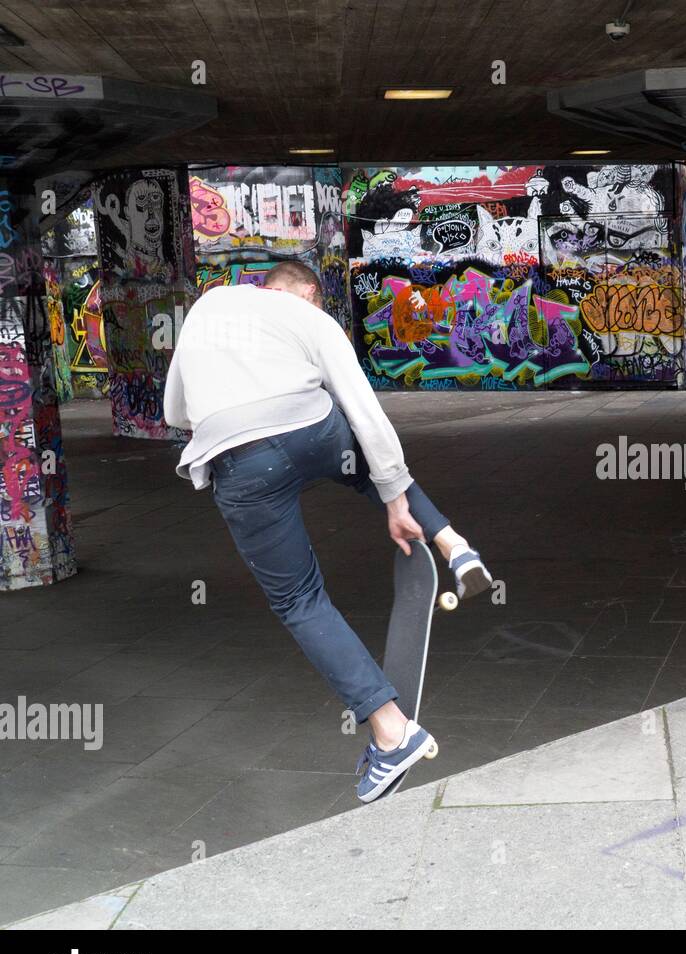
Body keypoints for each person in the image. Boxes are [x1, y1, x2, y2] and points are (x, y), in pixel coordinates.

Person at [163, 261, 492, 801]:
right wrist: (391, 497)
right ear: (310, 293)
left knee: (299, 601)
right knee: (361, 456)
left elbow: (177, 411)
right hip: (313, 431)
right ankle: (454, 544)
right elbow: (365, 410)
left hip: (239, 461)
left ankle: (392, 731)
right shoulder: (310, 318)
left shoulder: (208, 306)